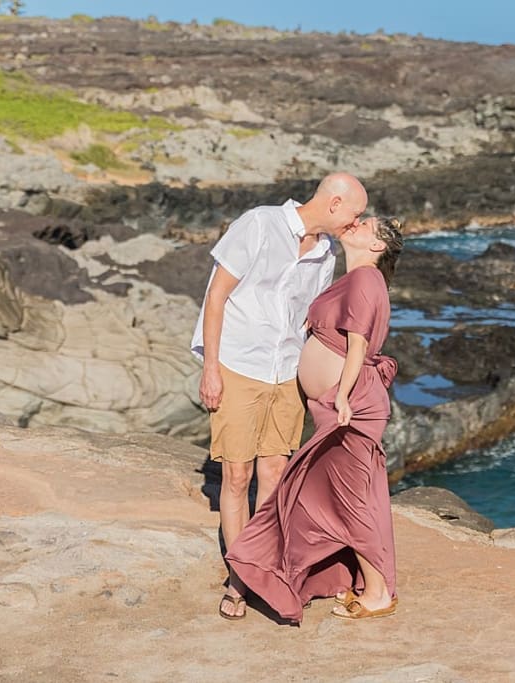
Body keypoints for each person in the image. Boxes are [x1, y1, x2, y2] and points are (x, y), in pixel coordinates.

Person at [191, 173, 368, 620]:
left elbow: (312, 323)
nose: (356, 221)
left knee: (274, 475)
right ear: (333, 203)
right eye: (355, 213)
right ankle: (238, 581)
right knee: (235, 477)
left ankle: (265, 570)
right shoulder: (257, 224)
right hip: (238, 367)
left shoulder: (327, 255)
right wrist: (210, 367)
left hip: (286, 374)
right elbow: (216, 297)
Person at [225, 215, 404, 623]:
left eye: (365, 226)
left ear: (378, 246)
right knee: (341, 498)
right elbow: (344, 330)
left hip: (349, 404)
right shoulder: (358, 278)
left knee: (349, 501)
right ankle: (362, 581)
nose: (355, 224)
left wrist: (341, 394)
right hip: (340, 403)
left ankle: (378, 594)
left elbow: (357, 342)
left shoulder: (363, 279)